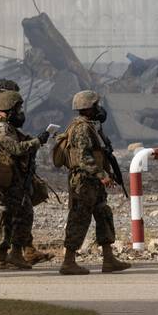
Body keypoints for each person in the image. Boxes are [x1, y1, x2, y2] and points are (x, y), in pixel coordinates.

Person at [57, 90, 131, 275]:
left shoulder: (91, 126)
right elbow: (83, 157)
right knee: (79, 218)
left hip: (93, 181)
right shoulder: (81, 128)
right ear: (89, 108)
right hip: (84, 181)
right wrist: (101, 174)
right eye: (96, 105)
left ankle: (109, 259)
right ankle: (68, 262)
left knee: (103, 214)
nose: (99, 109)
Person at [0, 90, 50, 270]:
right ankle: (1, 257)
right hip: (3, 179)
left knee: (23, 214)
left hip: (13, 178)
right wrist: (37, 141)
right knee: (4, 215)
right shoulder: (0, 128)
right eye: (18, 108)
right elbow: (15, 148)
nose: (21, 113)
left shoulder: (9, 127)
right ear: (9, 110)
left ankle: (15, 254)